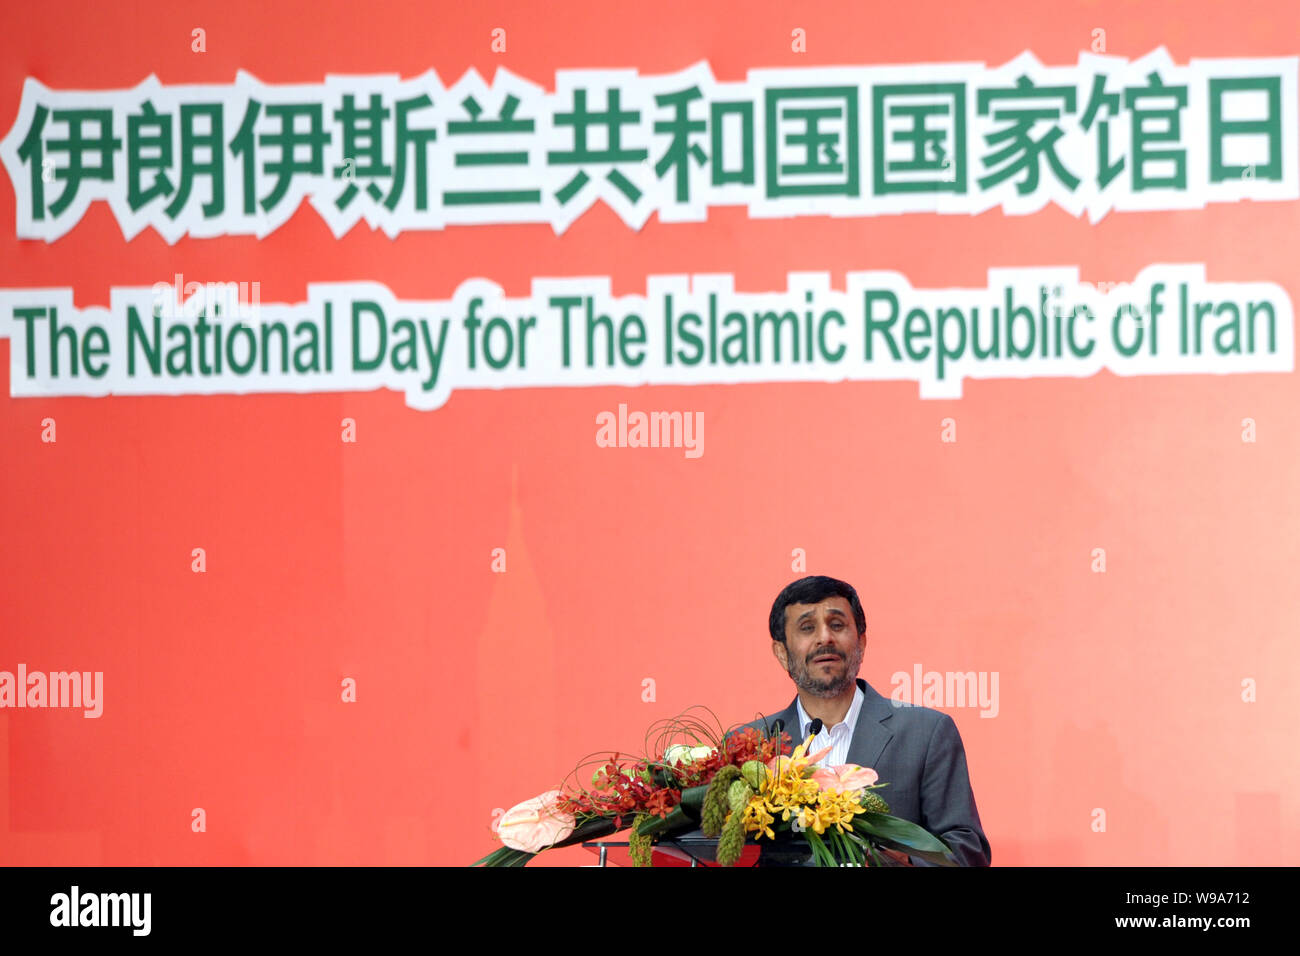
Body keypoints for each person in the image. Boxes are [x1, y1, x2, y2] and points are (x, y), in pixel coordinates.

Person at [734, 575, 991, 866]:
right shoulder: (752, 746)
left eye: (837, 625)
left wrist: (897, 861)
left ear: (862, 643)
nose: (825, 638)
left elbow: (967, 852)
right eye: (807, 628)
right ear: (781, 653)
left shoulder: (926, 733)